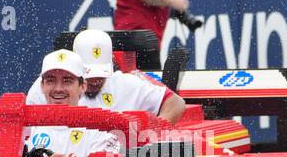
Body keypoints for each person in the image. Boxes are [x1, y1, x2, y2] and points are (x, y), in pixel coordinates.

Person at [26, 30, 186, 123]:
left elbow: (176, 103)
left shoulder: (126, 84)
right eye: (89, 75)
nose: (95, 80)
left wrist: (153, 134)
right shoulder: (46, 89)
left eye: (100, 74)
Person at [24, 50, 122, 157]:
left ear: (83, 86)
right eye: (51, 80)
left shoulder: (102, 130)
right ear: (42, 86)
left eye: (67, 81)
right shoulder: (26, 128)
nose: (58, 88)